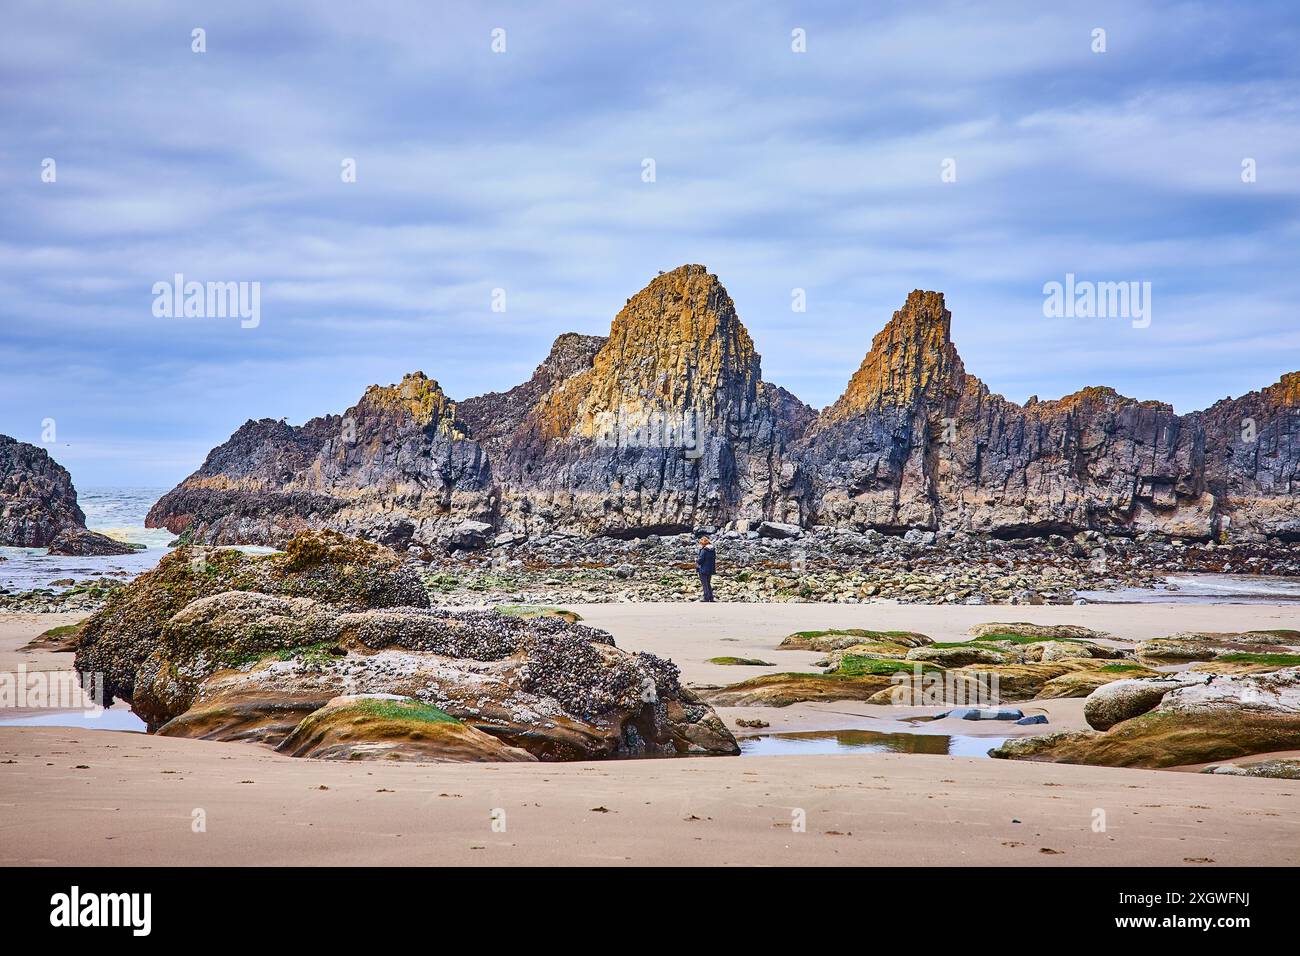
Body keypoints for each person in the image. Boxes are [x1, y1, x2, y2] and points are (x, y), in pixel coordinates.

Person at [696, 536, 716, 602]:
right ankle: (711, 597)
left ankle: (706, 597)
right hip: (710, 569)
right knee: (708, 583)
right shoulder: (713, 550)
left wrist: (696, 560)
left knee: (704, 584)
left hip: (703, 569)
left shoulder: (704, 550)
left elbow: (700, 560)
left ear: (703, 543)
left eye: (701, 543)